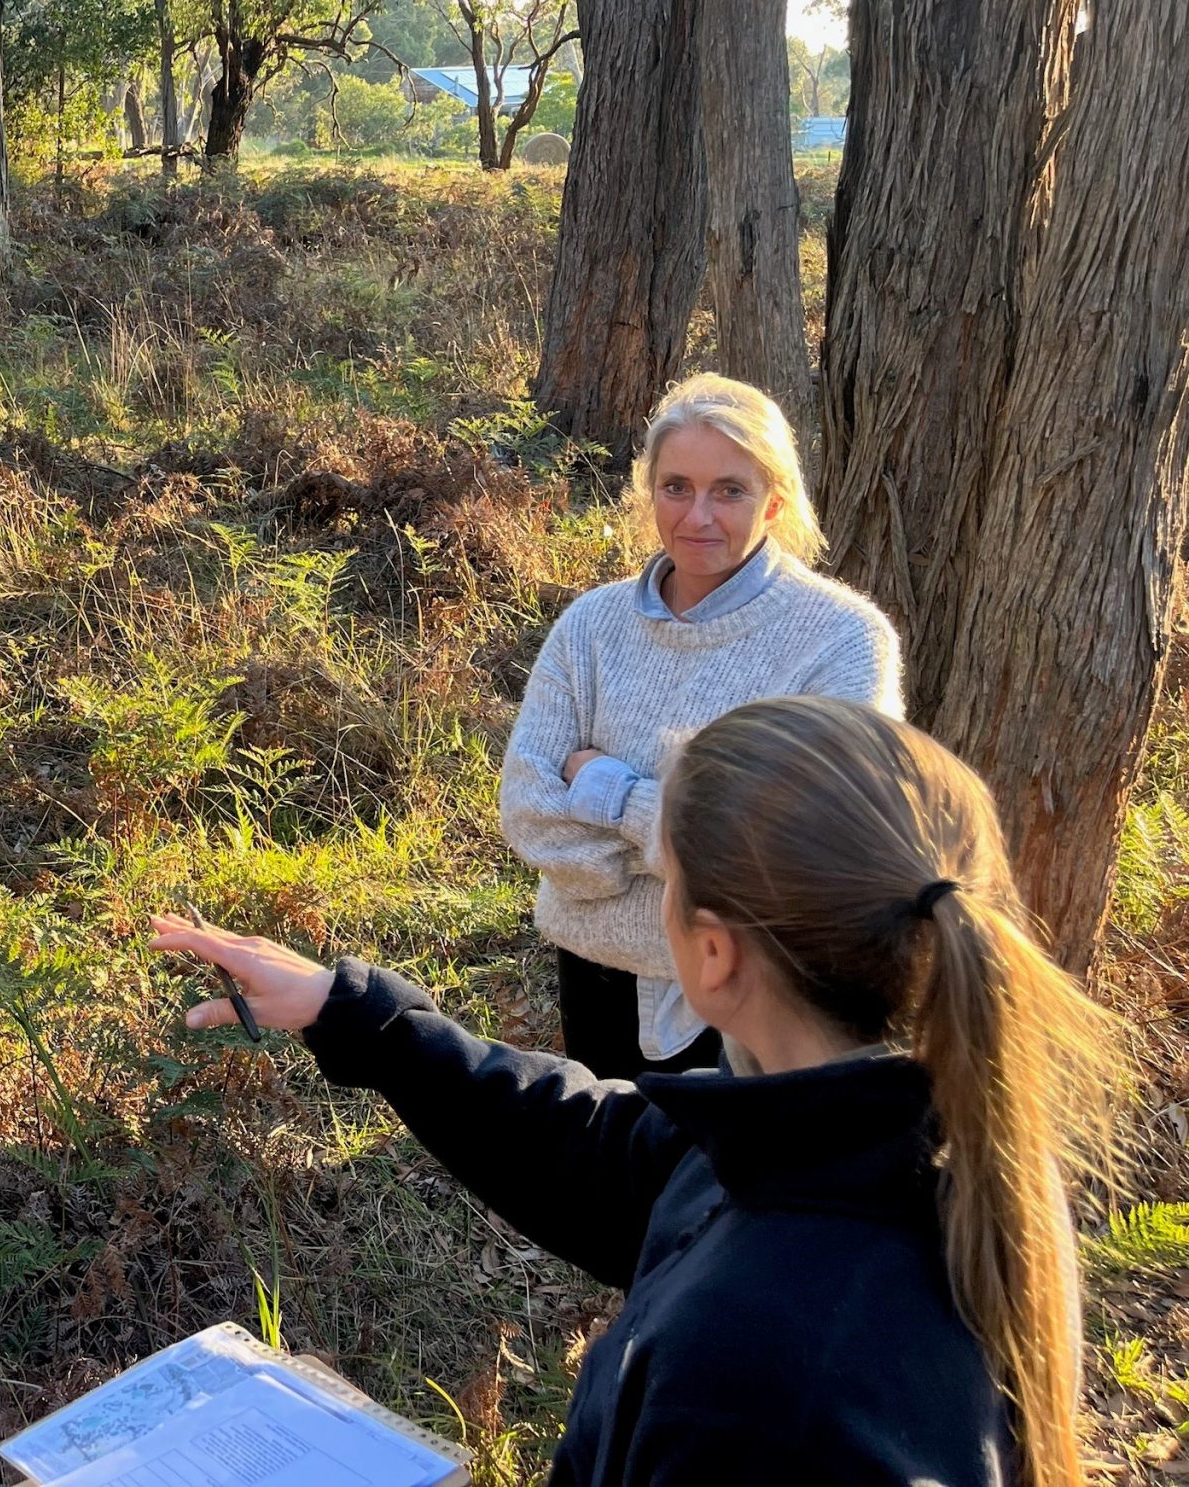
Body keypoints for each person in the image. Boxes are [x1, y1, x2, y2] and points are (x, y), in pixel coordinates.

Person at [152, 697, 1123, 1487]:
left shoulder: (751, 1389)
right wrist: (355, 1013)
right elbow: (599, 1149)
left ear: (712, 955)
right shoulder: (895, 1141)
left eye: (666, 877)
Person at [503, 373, 900, 1079]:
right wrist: (695, 840)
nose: (698, 516)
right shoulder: (591, 627)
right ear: (649, 492)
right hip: (591, 968)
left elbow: (795, 859)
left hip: (749, 992)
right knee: (605, 1149)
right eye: (677, 487)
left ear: (774, 501)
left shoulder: (841, 640)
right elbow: (529, 811)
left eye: (730, 490)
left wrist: (607, 792)